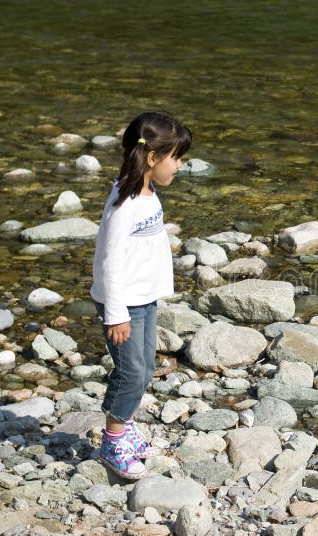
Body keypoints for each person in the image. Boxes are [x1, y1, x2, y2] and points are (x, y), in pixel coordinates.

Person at [90, 111, 192, 479]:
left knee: (146, 366)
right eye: (176, 158)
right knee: (131, 371)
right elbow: (109, 262)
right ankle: (113, 441)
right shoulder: (125, 203)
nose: (179, 166)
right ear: (152, 158)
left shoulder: (145, 192)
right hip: (123, 303)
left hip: (144, 297)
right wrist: (115, 312)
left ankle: (126, 426)